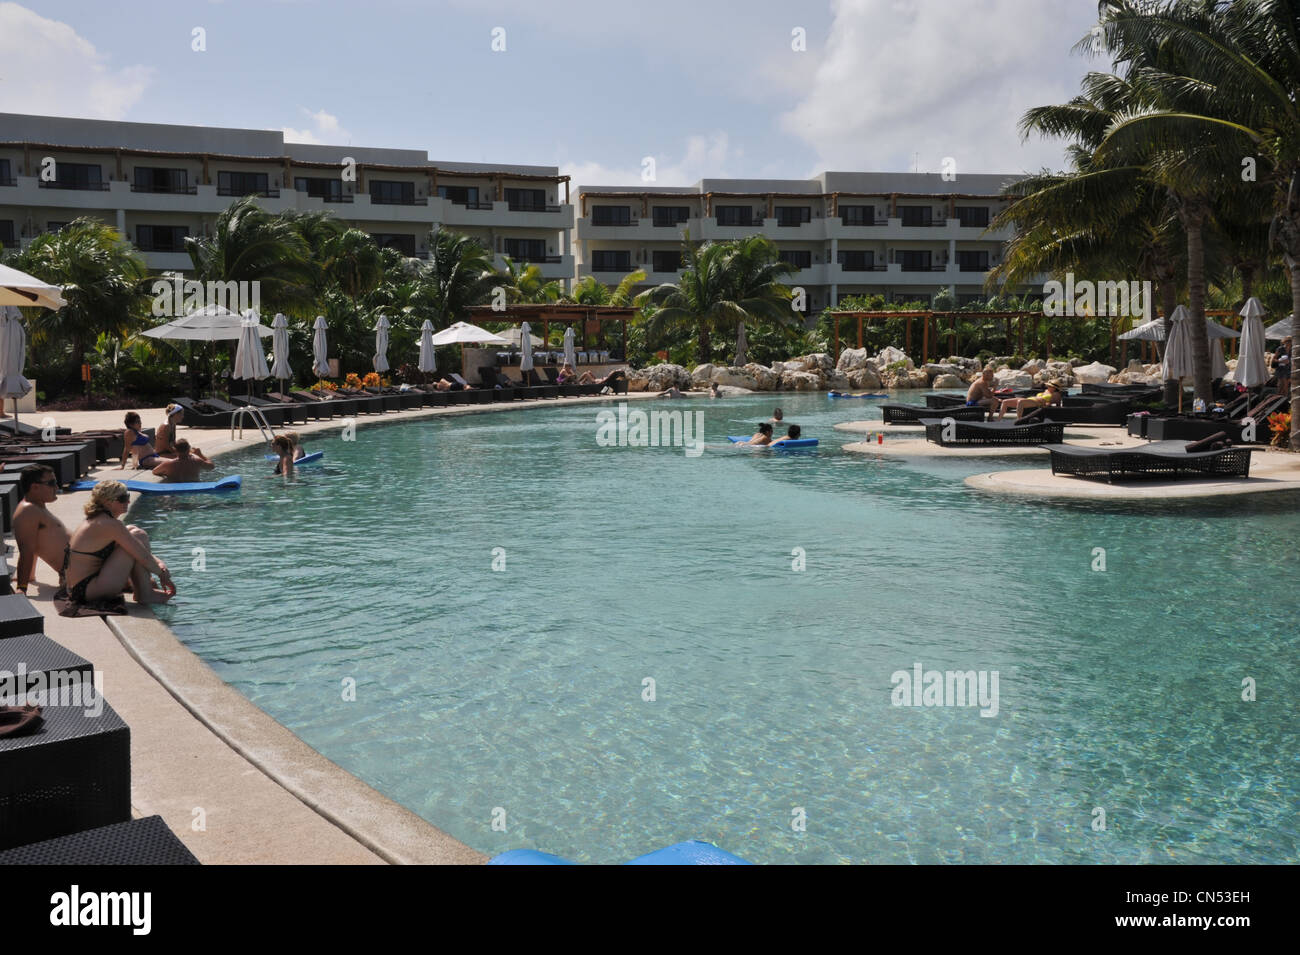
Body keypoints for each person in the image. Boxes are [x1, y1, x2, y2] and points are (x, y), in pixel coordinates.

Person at [60, 481, 173, 608]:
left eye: (128, 497)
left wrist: (159, 563)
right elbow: (142, 557)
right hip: (87, 590)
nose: (128, 502)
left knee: (132, 530)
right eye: (123, 499)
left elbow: (136, 548)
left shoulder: (98, 519)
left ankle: (144, 591)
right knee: (138, 535)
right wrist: (163, 575)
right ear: (108, 502)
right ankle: (145, 594)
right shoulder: (110, 524)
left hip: (77, 589)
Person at [12, 465, 69, 595]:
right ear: (35, 487)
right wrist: (22, 587)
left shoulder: (37, 507)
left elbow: (33, 544)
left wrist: (31, 575)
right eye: (52, 483)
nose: (57, 487)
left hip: (83, 566)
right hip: (81, 571)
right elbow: (26, 549)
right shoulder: (28, 510)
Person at [995, 380, 1063, 420]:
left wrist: (1048, 405)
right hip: (1029, 400)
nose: (1048, 386)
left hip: (1037, 403)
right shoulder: (1045, 391)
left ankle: (1019, 420)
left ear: (1054, 388)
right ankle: (999, 419)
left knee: (1020, 402)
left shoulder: (1056, 394)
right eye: (1048, 385)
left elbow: (1057, 404)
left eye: (1050, 386)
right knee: (1005, 402)